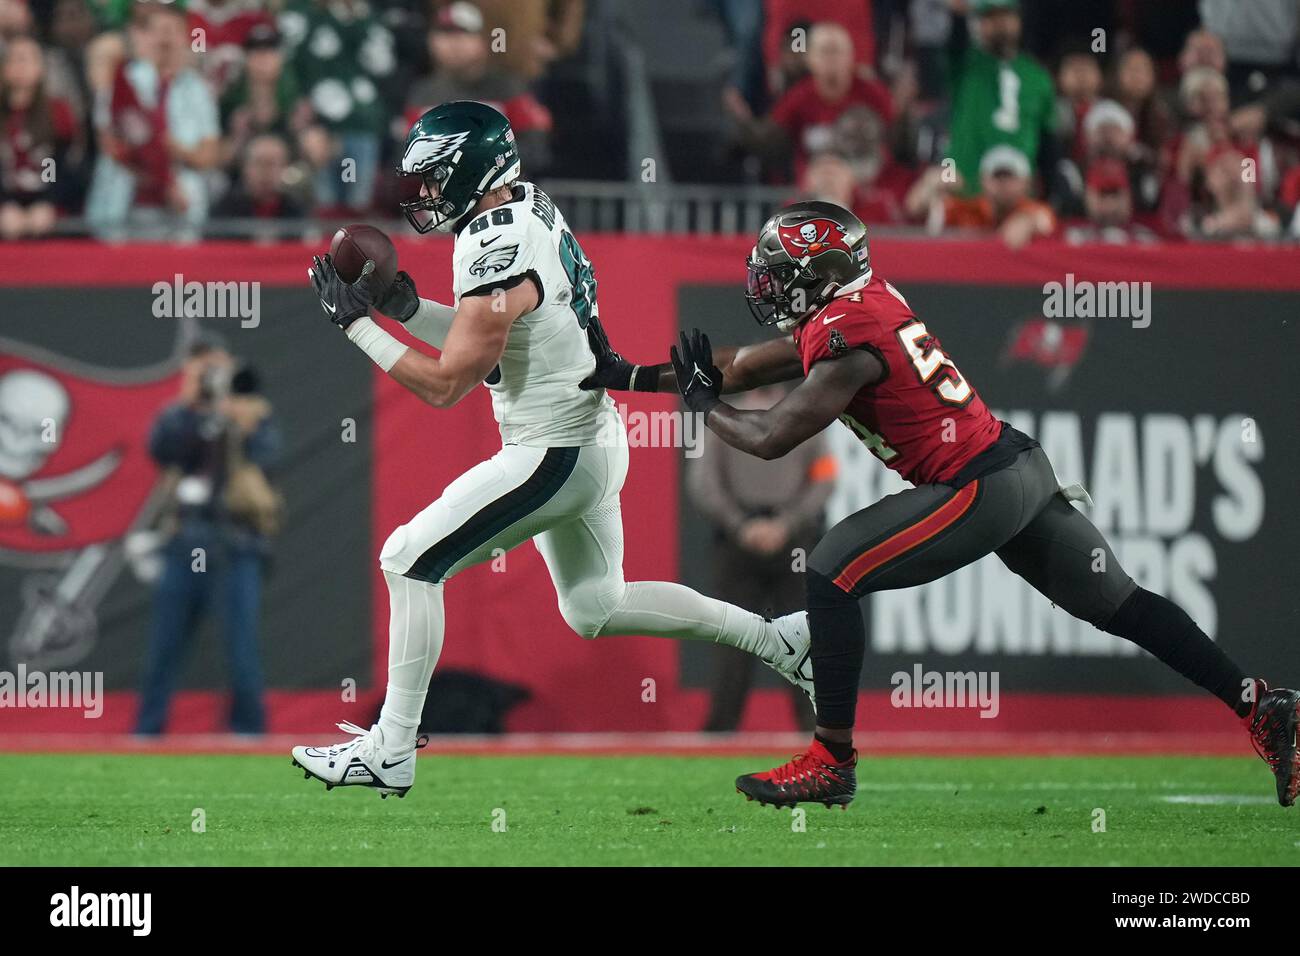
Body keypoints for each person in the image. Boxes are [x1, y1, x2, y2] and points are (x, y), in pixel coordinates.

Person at [583, 200, 1300, 810]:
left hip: (977, 485)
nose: (766, 286)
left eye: (780, 275)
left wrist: (700, 404)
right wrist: (629, 374)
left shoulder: (848, 330)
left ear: (818, 278)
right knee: (1123, 605)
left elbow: (770, 435)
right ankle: (1260, 704)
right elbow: (735, 366)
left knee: (832, 565)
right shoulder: (857, 307)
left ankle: (831, 761)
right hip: (1016, 469)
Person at [292, 101, 811, 799]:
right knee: (595, 604)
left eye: (435, 177)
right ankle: (779, 641)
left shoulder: (490, 243)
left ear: (474, 169)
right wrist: (408, 310)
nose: (423, 193)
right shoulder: (526, 205)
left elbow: (449, 382)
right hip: (590, 437)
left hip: (553, 449)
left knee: (408, 560)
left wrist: (358, 326)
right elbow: (502, 334)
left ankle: (390, 749)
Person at [136, 337, 282, 736]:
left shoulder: (251, 411)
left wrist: (236, 418)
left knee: (241, 648)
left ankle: (249, 732)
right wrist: (192, 403)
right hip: (185, 541)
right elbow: (162, 450)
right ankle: (147, 732)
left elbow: (269, 456)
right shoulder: (181, 415)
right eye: (206, 372)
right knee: (164, 646)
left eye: (219, 371)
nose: (214, 381)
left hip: (237, 543)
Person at [688, 384, 831, 732]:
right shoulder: (801, 419)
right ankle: (812, 733)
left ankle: (811, 732)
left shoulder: (725, 420)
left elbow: (824, 479)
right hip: (769, 540)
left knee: (758, 638)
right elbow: (705, 483)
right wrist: (762, 525)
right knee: (775, 641)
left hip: (771, 539)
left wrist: (763, 526)